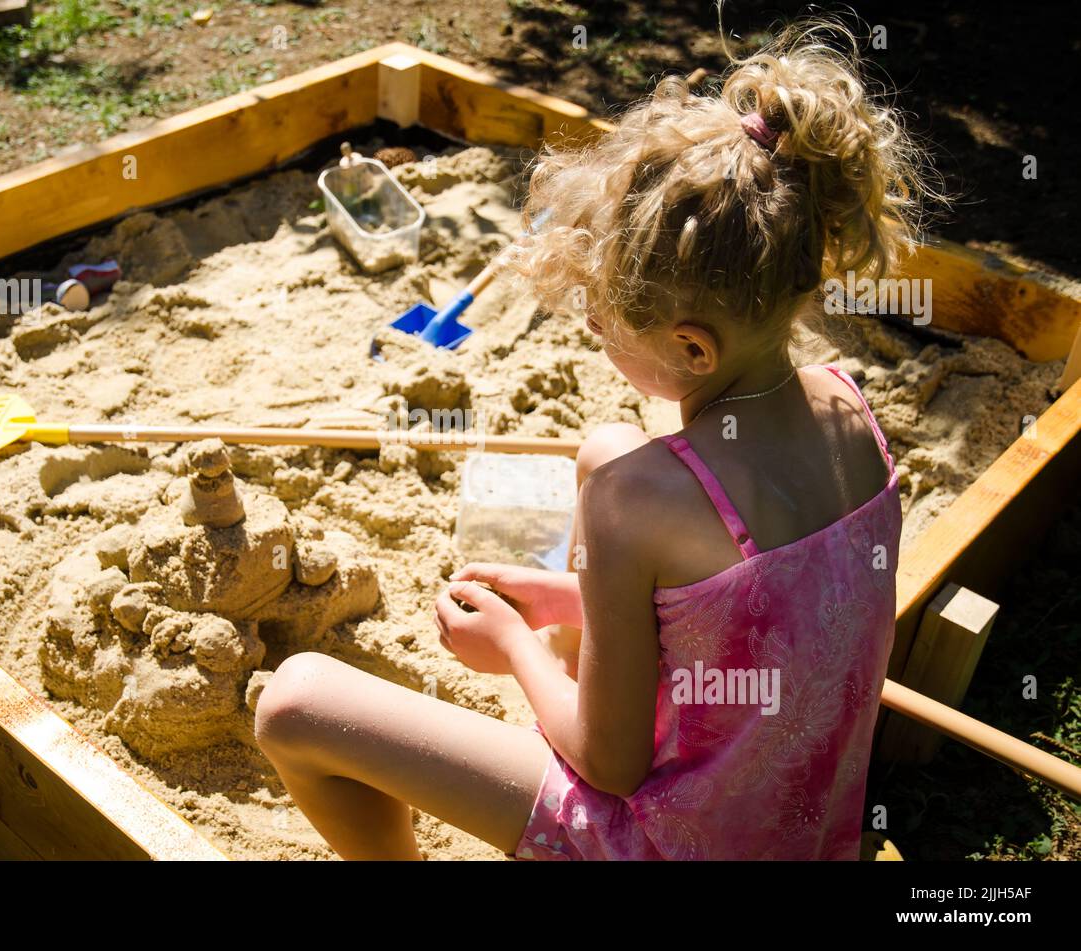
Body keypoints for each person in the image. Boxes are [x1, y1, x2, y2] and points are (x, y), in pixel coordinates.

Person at [254, 15, 934, 860]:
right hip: (804, 831)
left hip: (660, 844)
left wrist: (511, 647)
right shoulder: (851, 414)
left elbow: (611, 765)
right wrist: (574, 604)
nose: (590, 326)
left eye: (603, 315)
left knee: (295, 702)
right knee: (607, 444)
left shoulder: (636, 504)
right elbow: (763, 623)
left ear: (691, 346)